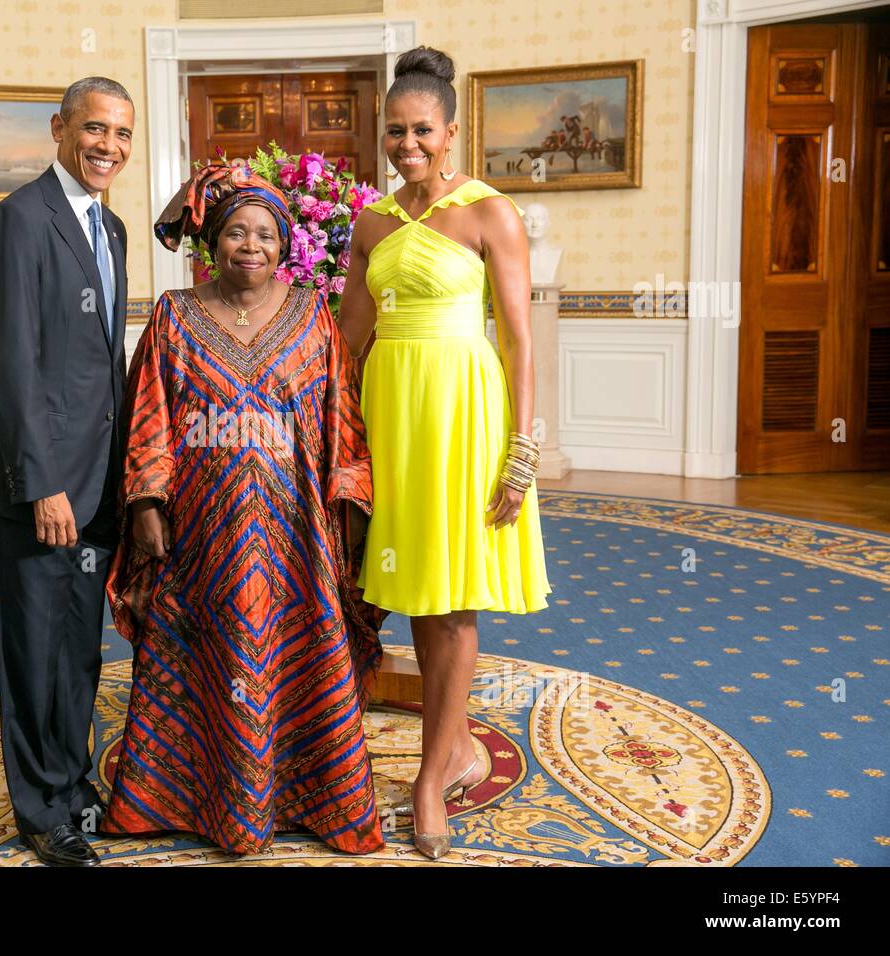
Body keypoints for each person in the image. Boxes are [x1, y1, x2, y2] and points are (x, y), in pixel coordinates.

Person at [99, 160, 387, 855]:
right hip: (200, 534)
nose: (249, 246)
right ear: (212, 242)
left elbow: (342, 418)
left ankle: (313, 798)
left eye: (264, 234)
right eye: (235, 232)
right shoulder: (173, 315)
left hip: (296, 537)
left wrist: (350, 509)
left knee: (301, 656)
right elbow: (148, 414)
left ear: (284, 244)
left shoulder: (313, 315)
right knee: (197, 656)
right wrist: (146, 503)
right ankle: (177, 798)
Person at [337, 45, 552, 860]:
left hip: (465, 416)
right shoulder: (372, 223)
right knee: (416, 587)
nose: (407, 145)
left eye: (422, 130)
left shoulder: (490, 213)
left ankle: (432, 777)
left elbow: (519, 340)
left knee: (453, 593)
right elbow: (346, 343)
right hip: (390, 417)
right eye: (395, 132)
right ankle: (455, 746)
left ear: (452, 131)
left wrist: (522, 449)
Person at [0, 76, 133, 867]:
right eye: (95, 129)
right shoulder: (16, 221)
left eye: (122, 134)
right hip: (39, 486)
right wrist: (43, 484)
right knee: (35, 652)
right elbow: (10, 366)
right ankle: (42, 811)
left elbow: (102, 362)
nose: (109, 146)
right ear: (60, 127)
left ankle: (72, 782)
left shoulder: (114, 227)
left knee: (79, 647)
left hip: (98, 481)